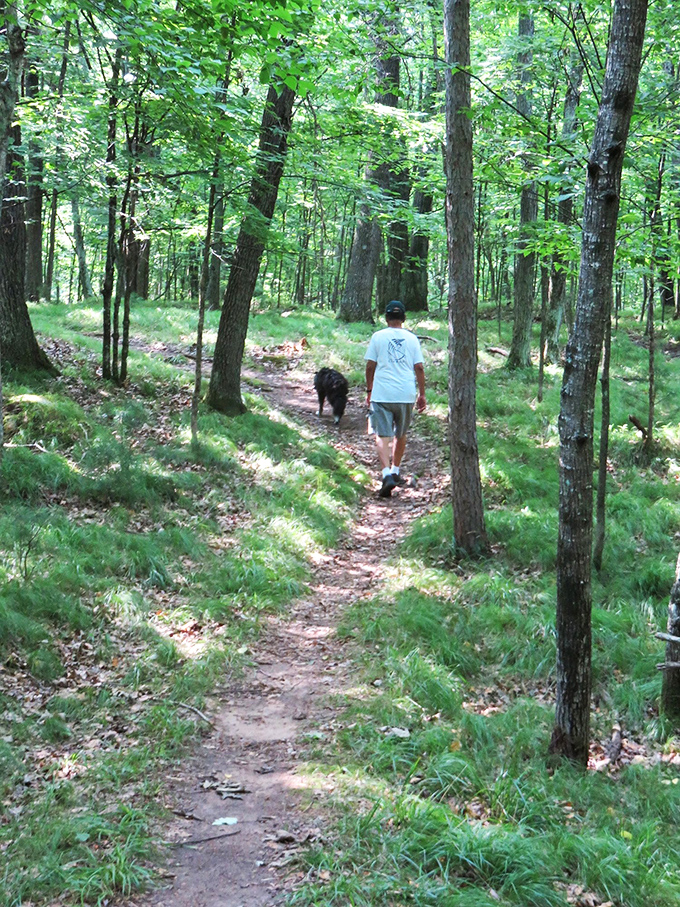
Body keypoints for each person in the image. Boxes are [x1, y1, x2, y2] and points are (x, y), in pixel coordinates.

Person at [365, 300, 426, 497]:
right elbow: (419, 367)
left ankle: (386, 475)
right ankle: (395, 471)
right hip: (405, 394)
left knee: (382, 434)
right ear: (404, 318)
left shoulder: (377, 337)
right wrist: (422, 394)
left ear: (386, 317)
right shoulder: (412, 338)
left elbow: (370, 366)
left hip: (382, 393)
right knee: (401, 433)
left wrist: (369, 390)